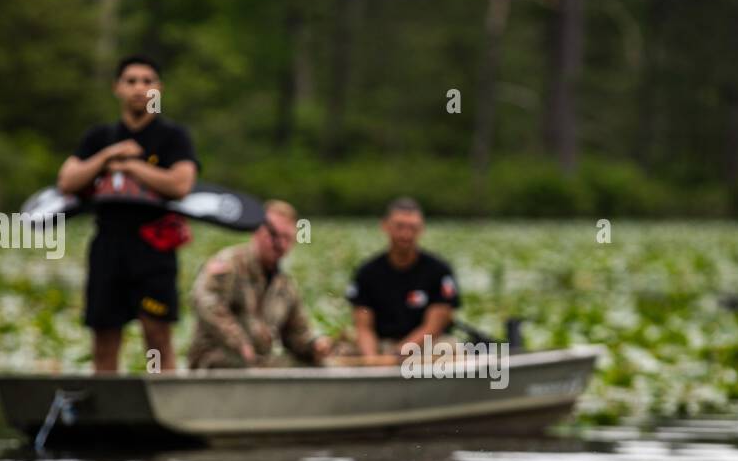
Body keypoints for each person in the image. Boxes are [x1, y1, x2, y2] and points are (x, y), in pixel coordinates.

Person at [57, 55, 199, 373]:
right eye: (131, 81)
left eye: (147, 81)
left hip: (154, 246)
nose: (139, 88)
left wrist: (132, 166)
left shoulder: (172, 137)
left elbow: (180, 184)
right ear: (117, 88)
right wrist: (109, 155)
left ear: (158, 89)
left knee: (156, 332)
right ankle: (107, 409)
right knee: (105, 335)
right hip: (108, 245)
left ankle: (164, 401)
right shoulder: (100, 138)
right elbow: (67, 181)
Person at [188, 200, 331, 369]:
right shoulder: (228, 265)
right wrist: (240, 344)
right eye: (274, 235)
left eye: (287, 238)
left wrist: (315, 345)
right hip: (217, 359)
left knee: (316, 365)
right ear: (257, 232)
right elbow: (207, 305)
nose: (280, 244)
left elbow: (297, 333)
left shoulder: (284, 285)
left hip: (258, 363)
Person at [343, 198, 460, 358]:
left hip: (424, 346)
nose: (406, 234)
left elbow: (433, 327)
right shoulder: (367, 272)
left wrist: (397, 355)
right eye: (399, 227)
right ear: (385, 226)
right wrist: (371, 358)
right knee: (342, 349)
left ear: (421, 229)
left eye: (412, 228)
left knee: (449, 348)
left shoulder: (439, 271)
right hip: (381, 343)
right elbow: (363, 327)